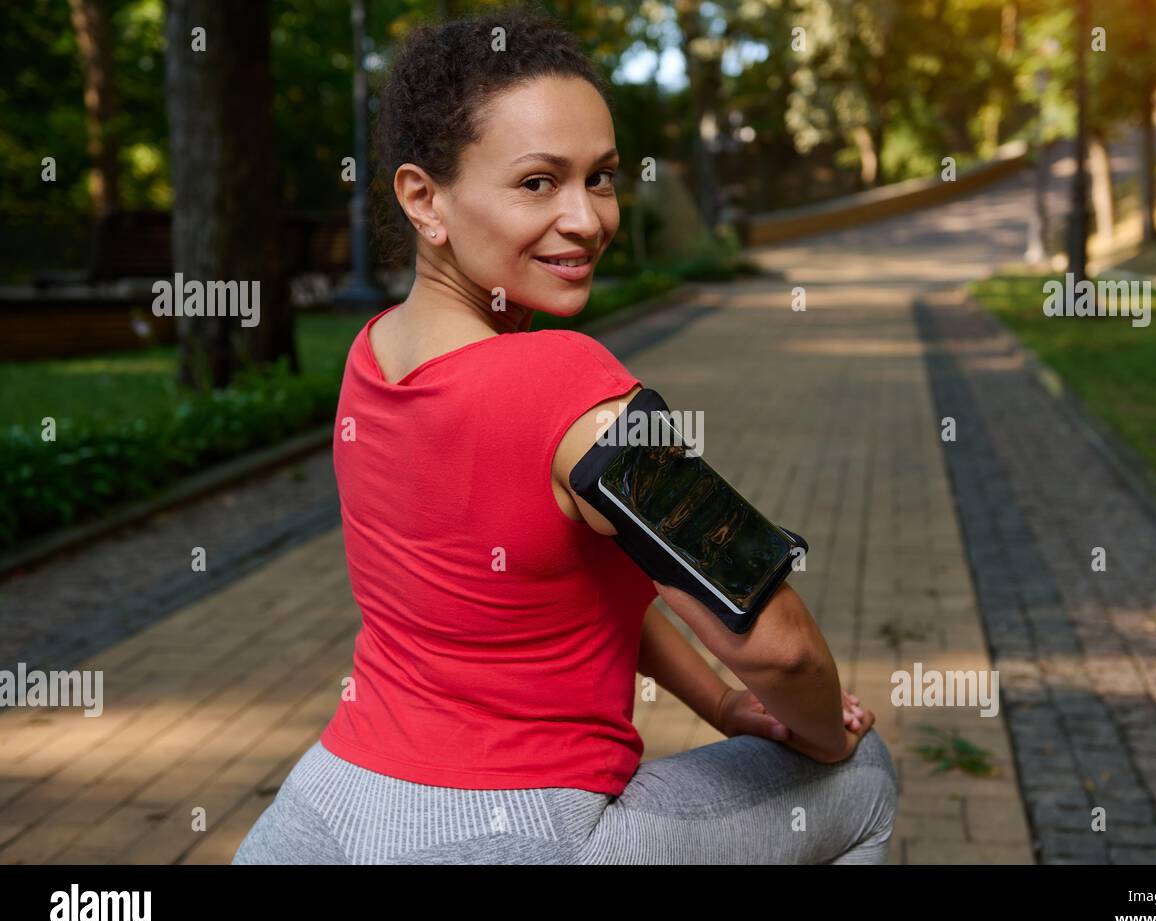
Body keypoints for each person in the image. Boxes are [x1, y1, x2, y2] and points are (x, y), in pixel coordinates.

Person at [232, 4, 896, 866]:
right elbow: (781, 646)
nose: (587, 219)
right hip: (520, 835)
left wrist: (724, 708)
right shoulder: (569, 386)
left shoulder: (371, 360)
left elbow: (579, 590)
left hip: (323, 812)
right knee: (865, 775)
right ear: (423, 199)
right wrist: (823, 735)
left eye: (603, 177)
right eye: (539, 183)